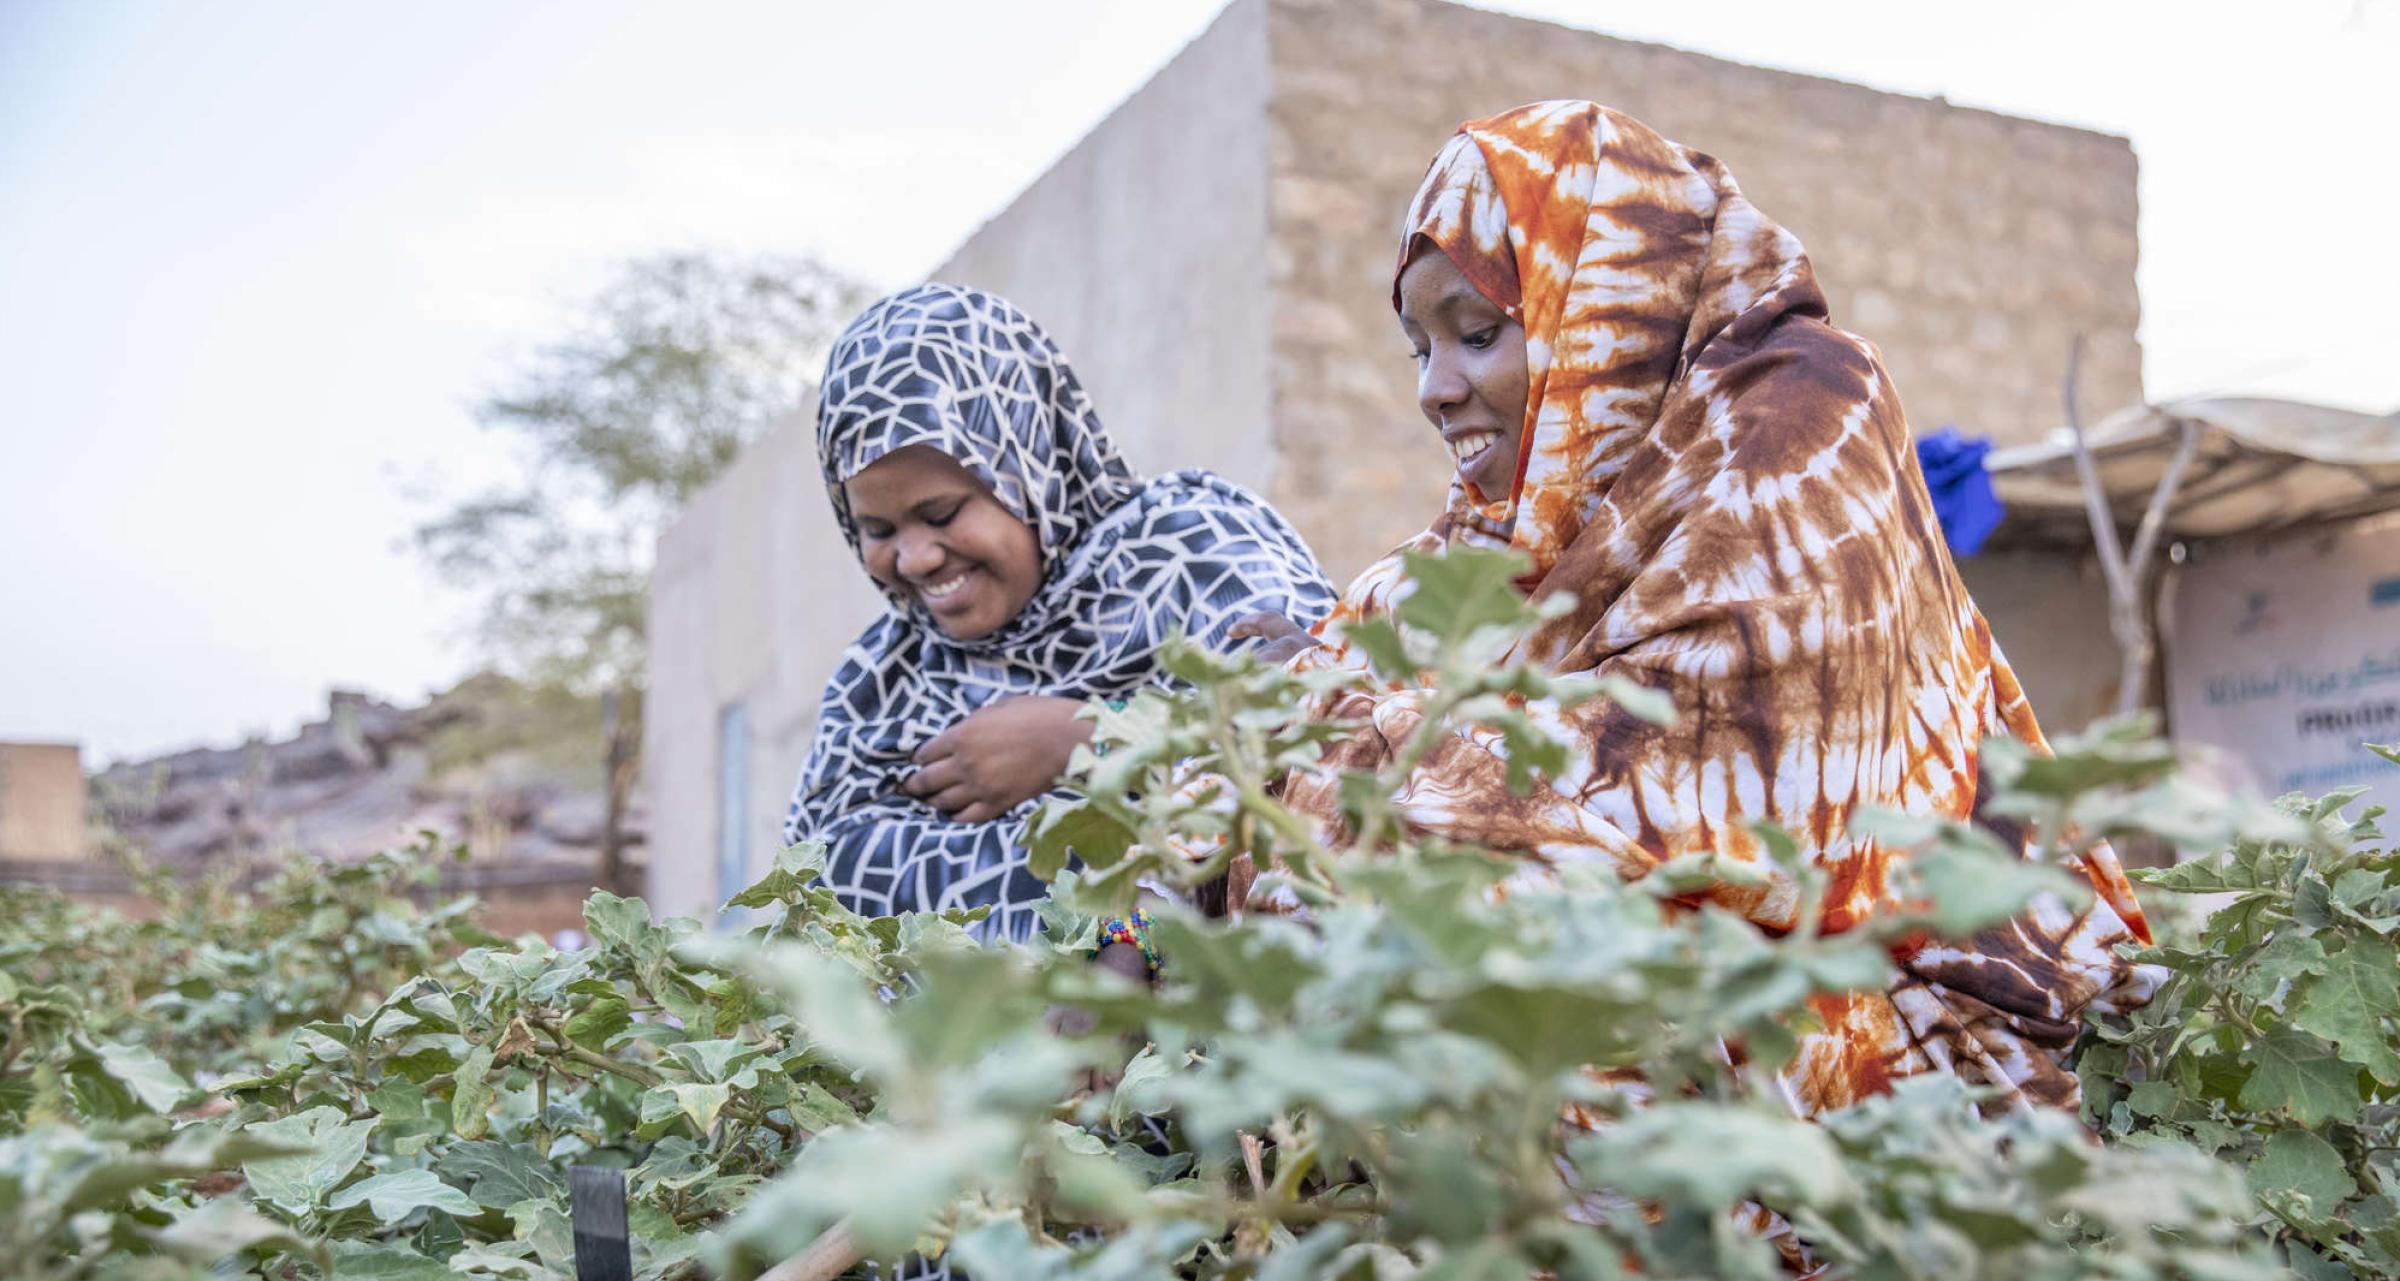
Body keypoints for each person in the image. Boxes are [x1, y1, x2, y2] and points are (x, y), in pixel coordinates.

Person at [1231, 101, 2151, 1117]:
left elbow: (1741, 804)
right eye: (1420, 350)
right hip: (1724, 978)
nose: (1436, 390)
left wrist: (1334, 734)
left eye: (1481, 332)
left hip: (1904, 1007)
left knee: (1507, 950)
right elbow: (1318, 689)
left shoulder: (1804, 416)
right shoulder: (1515, 529)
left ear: (1605, 310)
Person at [785, 285, 1337, 944]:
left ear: (1030, 466)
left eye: (941, 515)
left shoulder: (1192, 550)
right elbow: (813, 903)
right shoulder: (881, 682)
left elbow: (1332, 742)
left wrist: (1087, 741)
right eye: (876, 529)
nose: (916, 558)